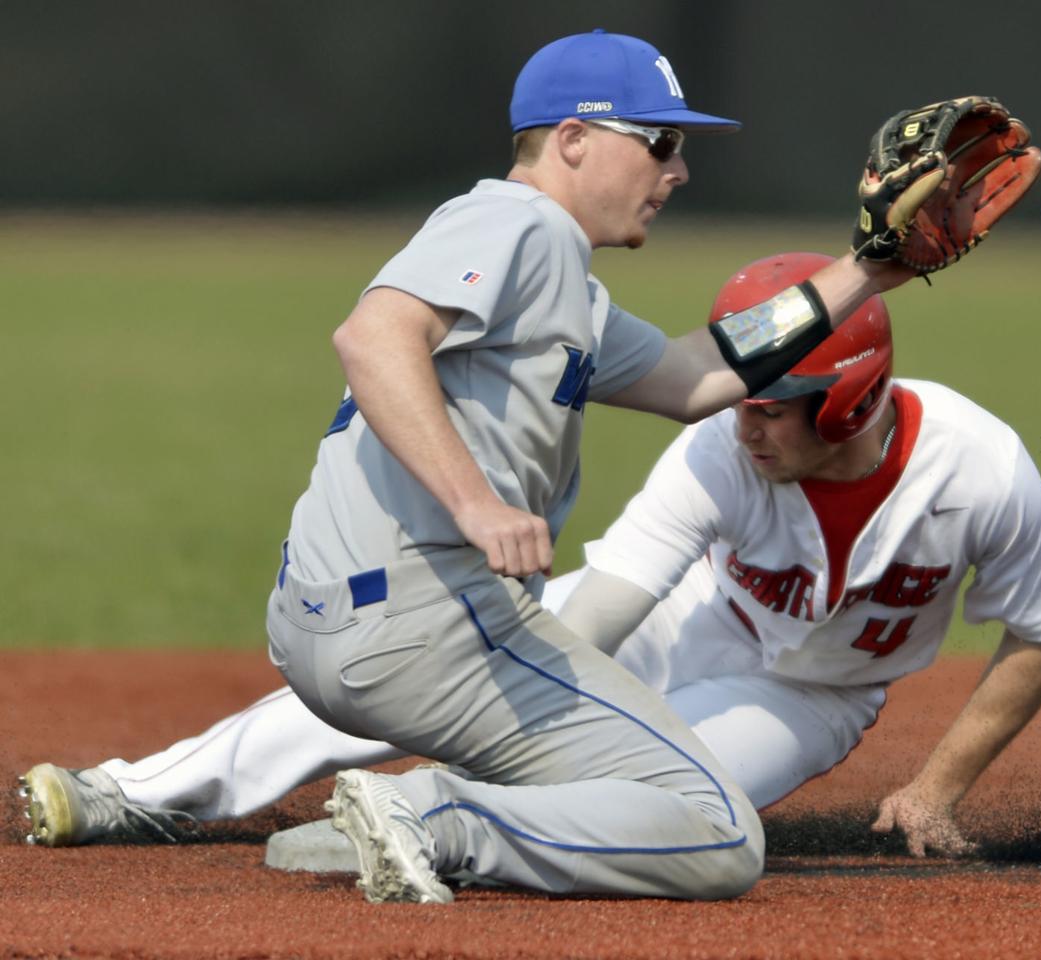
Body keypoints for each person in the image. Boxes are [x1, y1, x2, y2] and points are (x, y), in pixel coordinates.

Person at [22, 30, 933, 906]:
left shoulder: (563, 282)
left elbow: (701, 376)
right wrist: (475, 502)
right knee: (717, 827)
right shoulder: (518, 222)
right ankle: (431, 814)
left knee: (573, 729)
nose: (678, 170)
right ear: (572, 139)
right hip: (432, 618)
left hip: (331, 618)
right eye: (658, 141)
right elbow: (374, 337)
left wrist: (867, 270)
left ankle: (144, 790)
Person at [21, 252, 1041, 866]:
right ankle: (133, 790)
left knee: (691, 807)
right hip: (683, 622)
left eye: (770, 407)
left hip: (813, 699)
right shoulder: (718, 452)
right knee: (427, 663)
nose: (741, 423)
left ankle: (418, 821)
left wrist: (939, 786)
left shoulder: (980, 469)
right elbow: (616, 599)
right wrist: (504, 704)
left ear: (849, 400)